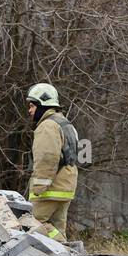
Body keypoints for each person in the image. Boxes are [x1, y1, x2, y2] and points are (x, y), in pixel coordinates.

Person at [25, 82, 80, 240]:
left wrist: (39, 186)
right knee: (56, 227)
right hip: (65, 186)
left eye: (32, 106)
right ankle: (67, 255)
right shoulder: (65, 124)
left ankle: (63, 246)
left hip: (50, 188)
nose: (29, 111)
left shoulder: (47, 125)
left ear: (42, 104)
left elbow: (47, 158)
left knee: (32, 223)